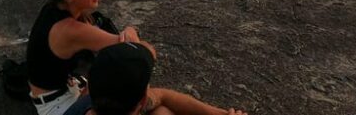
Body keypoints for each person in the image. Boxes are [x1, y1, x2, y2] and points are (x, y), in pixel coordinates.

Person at [27, 0, 154, 115]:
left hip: (63, 90)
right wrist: (130, 30)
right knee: (142, 99)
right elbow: (140, 52)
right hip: (57, 105)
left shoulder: (55, 7)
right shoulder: (71, 30)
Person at [87, 40, 248, 115]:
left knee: (162, 110)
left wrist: (217, 114)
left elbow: (163, 96)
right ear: (142, 100)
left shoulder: (98, 100)